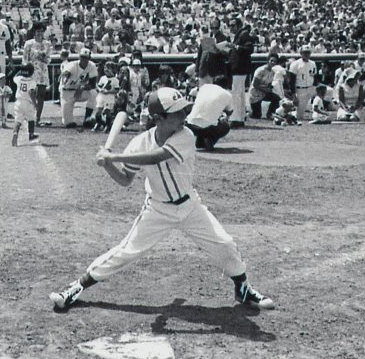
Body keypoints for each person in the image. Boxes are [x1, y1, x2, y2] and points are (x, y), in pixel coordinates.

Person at [48, 87, 274, 312]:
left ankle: (243, 288)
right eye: (176, 113)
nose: (183, 117)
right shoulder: (139, 142)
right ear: (158, 118)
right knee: (126, 251)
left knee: (224, 244)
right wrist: (108, 164)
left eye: (183, 111)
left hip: (190, 206)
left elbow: (158, 156)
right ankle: (76, 287)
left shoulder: (186, 135)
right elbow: (125, 180)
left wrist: (113, 155)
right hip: (157, 209)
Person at [185, 82, 232, 150]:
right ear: (227, 86)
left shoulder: (205, 87)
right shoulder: (227, 94)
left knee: (203, 119)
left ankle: (200, 142)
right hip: (210, 127)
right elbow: (230, 111)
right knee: (226, 126)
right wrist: (224, 116)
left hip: (190, 124)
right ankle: (210, 139)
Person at [59, 49, 98, 128]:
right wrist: (66, 77)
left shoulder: (92, 66)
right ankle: (67, 119)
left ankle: (88, 119)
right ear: (79, 57)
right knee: (68, 123)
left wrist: (82, 87)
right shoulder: (72, 65)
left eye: (86, 58)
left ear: (89, 58)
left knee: (93, 93)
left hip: (81, 91)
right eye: (82, 57)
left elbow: (93, 84)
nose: (84, 59)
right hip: (67, 91)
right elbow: (65, 74)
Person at [10, 63, 39, 147]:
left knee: (18, 120)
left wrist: (21, 71)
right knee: (31, 119)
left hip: (18, 102)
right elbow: (31, 93)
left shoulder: (19, 79)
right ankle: (31, 135)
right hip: (28, 102)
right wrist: (35, 103)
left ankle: (15, 133)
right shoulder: (32, 81)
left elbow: (15, 76)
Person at [287, 48, 317, 114]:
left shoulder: (313, 63)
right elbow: (291, 81)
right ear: (301, 53)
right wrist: (294, 96)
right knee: (299, 115)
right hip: (300, 90)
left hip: (311, 88)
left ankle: (318, 110)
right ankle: (289, 112)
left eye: (308, 52)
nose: (306, 54)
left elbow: (314, 77)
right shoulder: (295, 64)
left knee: (329, 91)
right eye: (305, 52)